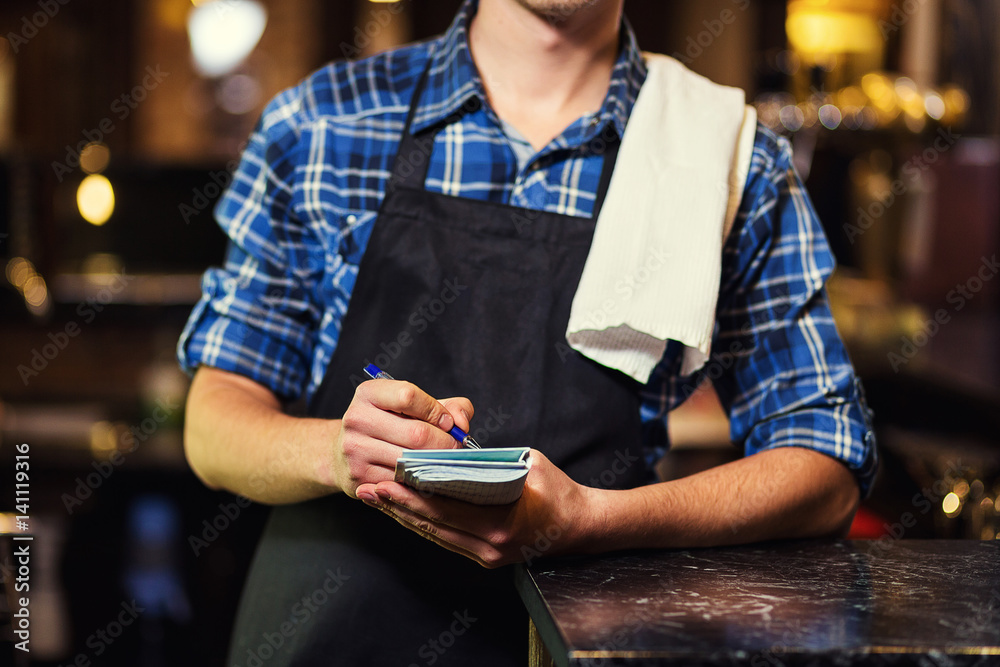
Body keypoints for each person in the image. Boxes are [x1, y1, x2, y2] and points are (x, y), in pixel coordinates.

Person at [177, 0, 878, 664]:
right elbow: (213, 427)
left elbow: (825, 465)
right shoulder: (320, 124)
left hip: (572, 639)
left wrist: (593, 518)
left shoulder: (726, 157)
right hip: (327, 634)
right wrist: (336, 450)